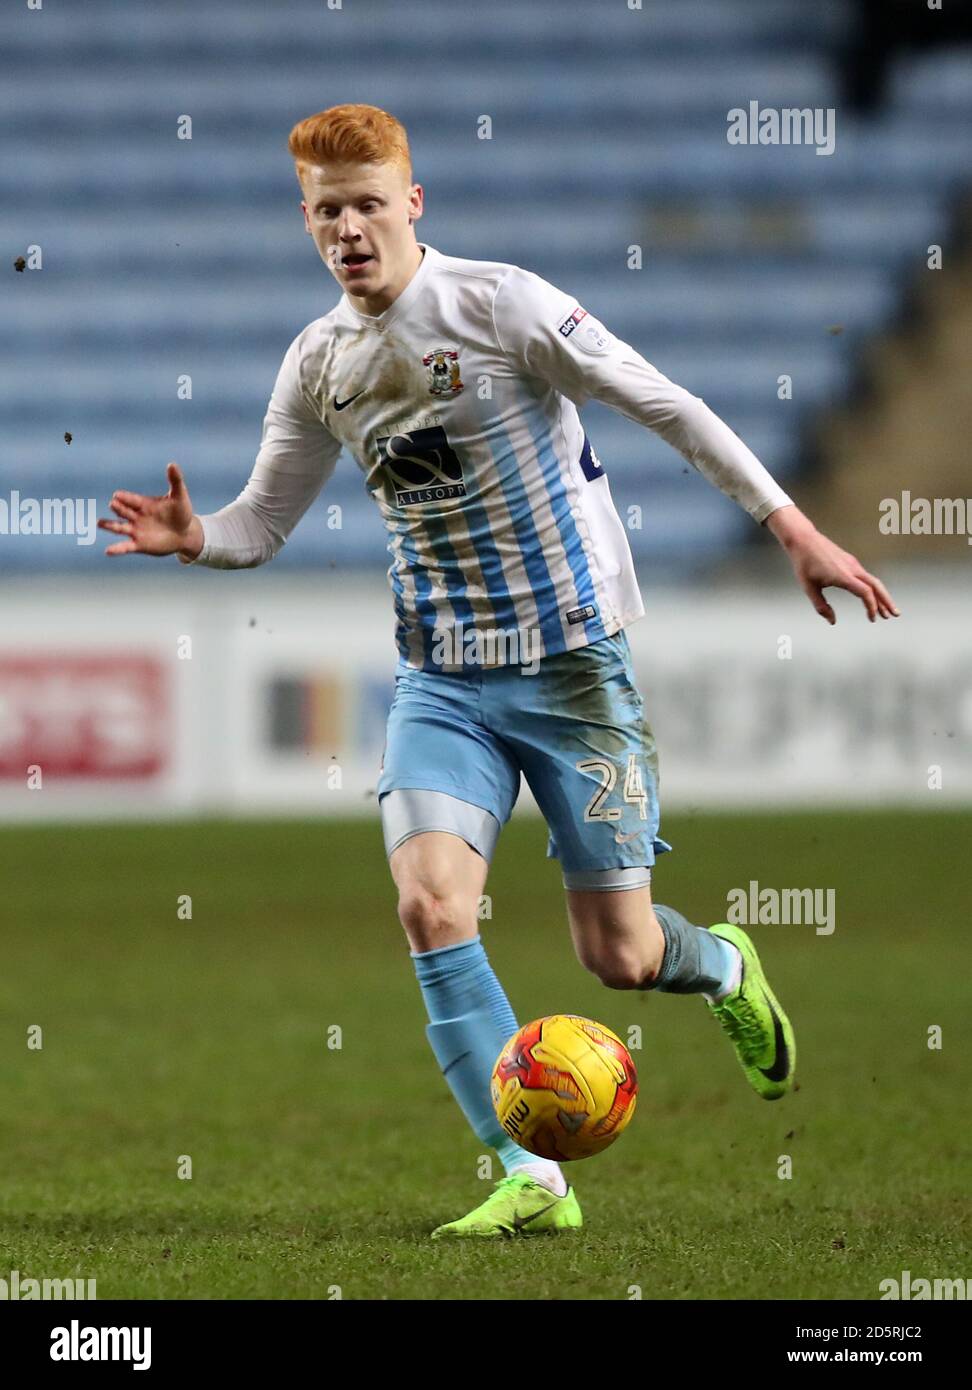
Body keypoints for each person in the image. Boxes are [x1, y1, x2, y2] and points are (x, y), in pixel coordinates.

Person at [99, 103, 898, 1239]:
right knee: (430, 907)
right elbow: (260, 523)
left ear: (412, 203)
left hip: (574, 674)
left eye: (369, 204)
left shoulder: (500, 305)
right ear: (307, 222)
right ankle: (531, 1177)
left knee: (617, 956)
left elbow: (666, 401)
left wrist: (794, 529)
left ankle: (722, 965)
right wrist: (197, 537)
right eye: (327, 213)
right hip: (442, 682)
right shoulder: (320, 362)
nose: (350, 231)